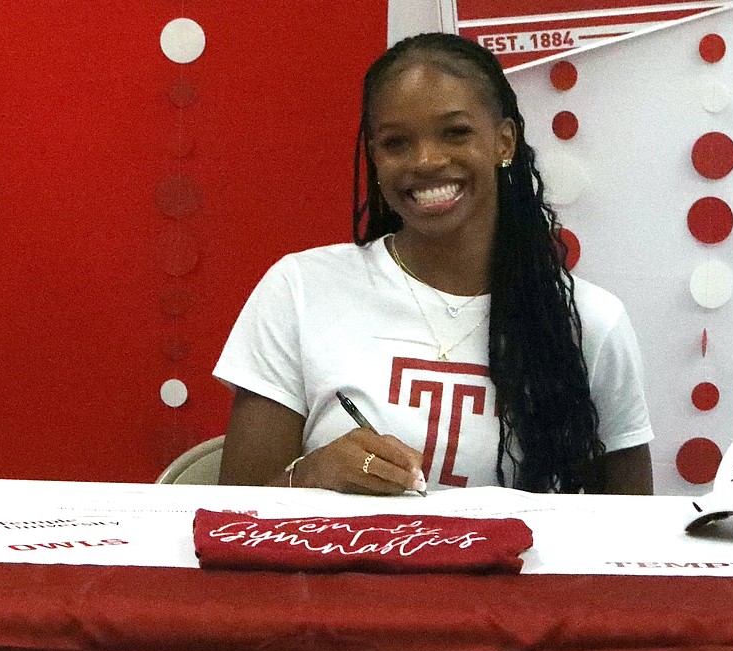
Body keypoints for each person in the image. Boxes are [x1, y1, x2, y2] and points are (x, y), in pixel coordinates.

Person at [213, 32, 653, 496]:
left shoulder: (589, 322)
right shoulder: (300, 289)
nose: (426, 160)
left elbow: (629, 533)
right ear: (375, 158)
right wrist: (309, 475)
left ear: (504, 142)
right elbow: (234, 515)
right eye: (396, 142)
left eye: (455, 132)